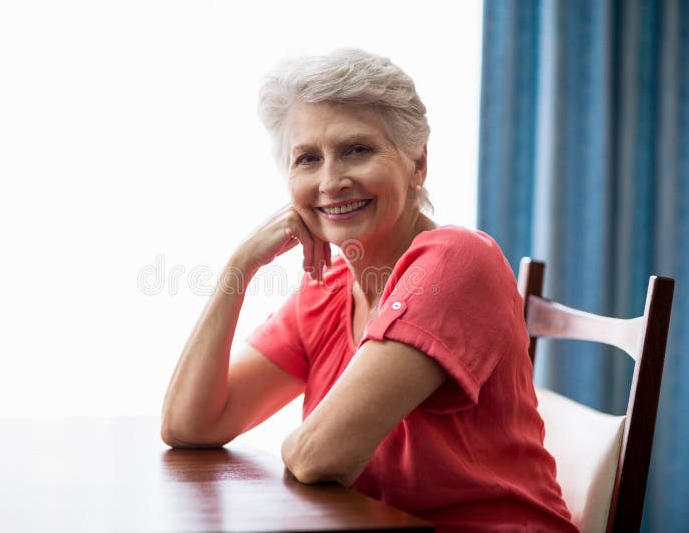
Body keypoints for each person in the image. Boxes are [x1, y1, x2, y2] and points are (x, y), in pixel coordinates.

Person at [160, 48, 577, 531]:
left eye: (357, 149)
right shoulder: (328, 289)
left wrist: (301, 447)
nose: (331, 181)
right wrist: (240, 266)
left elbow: (317, 456)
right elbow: (192, 426)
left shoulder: (458, 262)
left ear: (417, 164)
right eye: (308, 159)